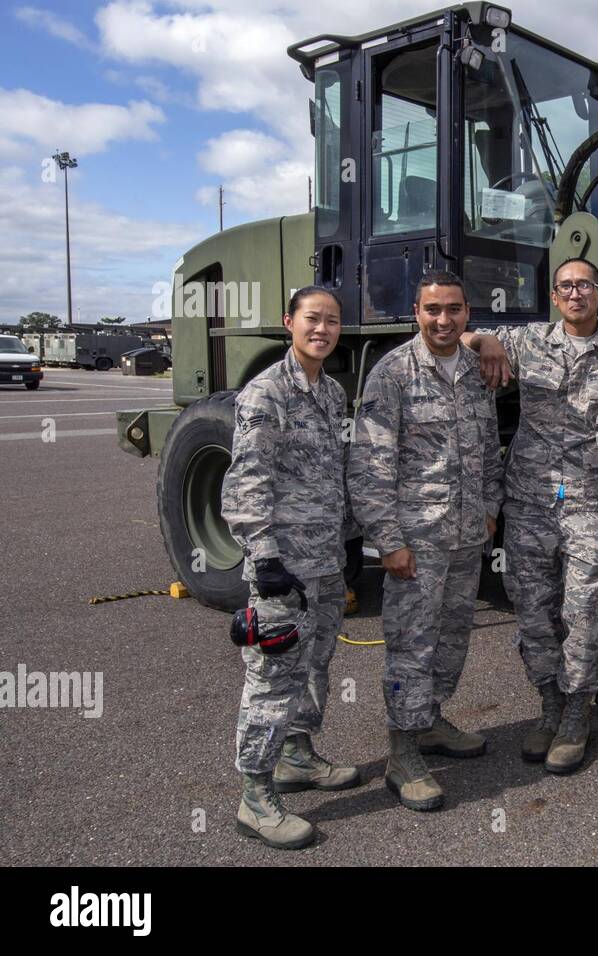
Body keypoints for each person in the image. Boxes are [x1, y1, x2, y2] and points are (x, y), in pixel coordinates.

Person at [462, 257, 598, 773]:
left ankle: (577, 715)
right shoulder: (528, 342)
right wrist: (486, 342)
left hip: (591, 500)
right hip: (531, 499)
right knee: (533, 611)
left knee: (584, 612)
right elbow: (461, 336)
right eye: (565, 286)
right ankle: (549, 705)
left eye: (585, 285)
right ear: (555, 296)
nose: (575, 293)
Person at [350, 272, 505, 811]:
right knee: (410, 645)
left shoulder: (473, 371)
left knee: (452, 637)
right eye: (433, 310)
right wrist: (387, 541)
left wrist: (489, 509)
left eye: (454, 310)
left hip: (465, 538)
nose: (444, 320)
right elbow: (370, 464)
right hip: (416, 540)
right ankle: (402, 752)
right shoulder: (392, 372)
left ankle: (432, 718)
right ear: (416, 311)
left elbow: (487, 448)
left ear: (467, 313)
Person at [222, 285, 360, 850]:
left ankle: (297, 756)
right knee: (272, 677)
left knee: (316, 665)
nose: (321, 329)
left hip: (324, 559)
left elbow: (334, 473)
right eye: (311, 319)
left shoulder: (329, 393)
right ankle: (255, 795)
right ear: (289, 323)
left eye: (330, 321)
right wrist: (265, 556)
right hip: (282, 565)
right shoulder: (266, 394)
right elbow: (247, 478)